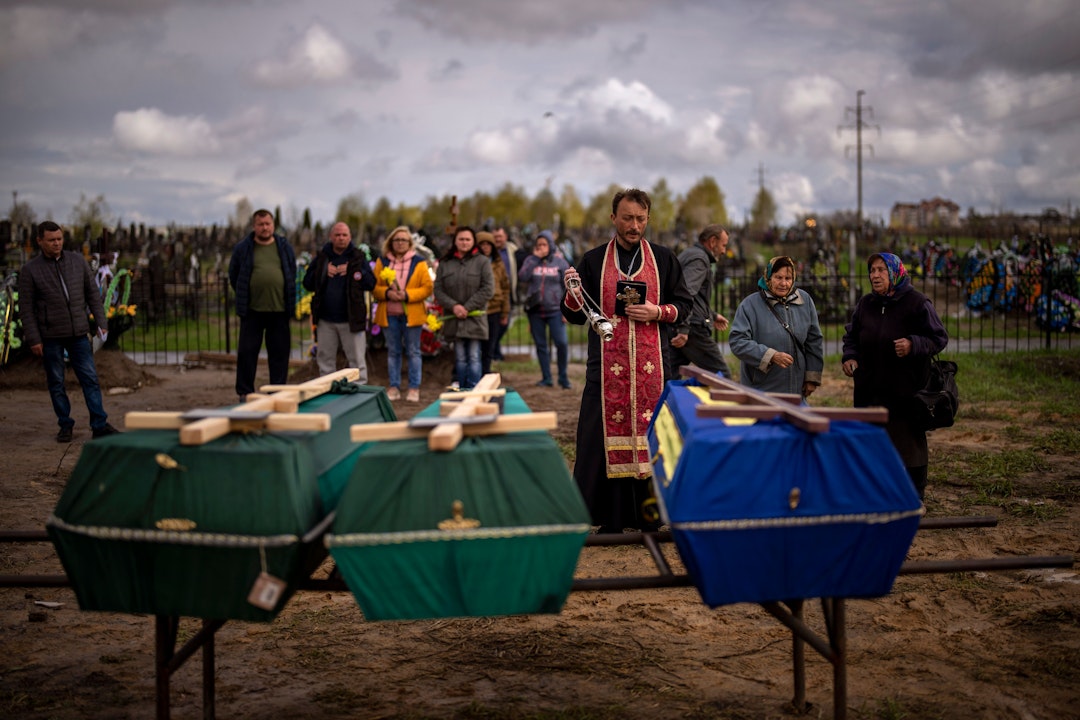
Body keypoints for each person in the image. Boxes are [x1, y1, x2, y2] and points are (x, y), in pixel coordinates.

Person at [561, 188, 693, 533]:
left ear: (648, 219)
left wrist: (657, 311)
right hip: (606, 371)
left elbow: (685, 305)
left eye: (640, 218)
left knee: (654, 437)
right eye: (628, 218)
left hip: (652, 368)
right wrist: (573, 293)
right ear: (613, 218)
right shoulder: (591, 261)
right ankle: (610, 517)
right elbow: (575, 316)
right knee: (598, 438)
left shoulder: (664, 259)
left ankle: (651, 516)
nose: (634, 225)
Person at [842, 252, 948, 500]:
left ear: (895, 272)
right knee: (871, 442)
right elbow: (852, 336)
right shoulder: (866, 304)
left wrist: (913, 344)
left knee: (909, 444)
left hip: (905, 390)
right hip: (870, 389)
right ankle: (875, 496)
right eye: (872, 270)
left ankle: (914, 497)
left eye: (881, 270)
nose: (875, 275)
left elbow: (938, 338)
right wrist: (850, 357)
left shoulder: (917, 303)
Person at [18, 221, 121, 442]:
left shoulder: (77, 262)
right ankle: (65, 425)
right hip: (50, 336)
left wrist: (101, 322)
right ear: (40, 241)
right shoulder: (30, 271)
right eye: (51, 240)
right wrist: (34, 338)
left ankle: (99, 424)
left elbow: (92, 294)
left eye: (59, 239)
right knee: (56, 382)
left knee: (90, 379)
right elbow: (25, 308)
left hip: (78, 333)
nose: (57, 243)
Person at [728, 255, 824, 398]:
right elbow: (737, 341)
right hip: (761, 390)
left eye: (788, 278)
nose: (783, 283)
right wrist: (770, 356)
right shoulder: (750, 305)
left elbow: (814, 341)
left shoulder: (805, 301)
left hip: (796, 390)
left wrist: (812, 378)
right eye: (778, 277)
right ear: (768, 277)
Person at [228, 209, 297, 401]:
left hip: (279, 310)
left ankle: (277, 393)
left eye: (268, 224)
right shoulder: (243, 248)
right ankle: (245, 392)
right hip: (253, 311)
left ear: (273, 225)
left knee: (280, 355)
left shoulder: (284, 247)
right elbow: (234, 275)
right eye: (260, 224)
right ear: (254, 226)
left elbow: (291, 270)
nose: (265, 228)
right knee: (247, 353)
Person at [302, 222, 375, 382]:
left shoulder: (358, 257)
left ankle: (359, 392)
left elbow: (371, 283)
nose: (341, 238)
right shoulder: (322, 257)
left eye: (344, 235)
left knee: (356, 361)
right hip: (326, 320)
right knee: (325, 360)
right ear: (331, 237)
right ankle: (327, 392)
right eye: (337, 235)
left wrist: (354, 272)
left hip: (351, 319)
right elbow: (307, 283)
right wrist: (322, 272)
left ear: (350, 237)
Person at [373, 225, 434, 402]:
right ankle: (394, 386)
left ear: (410, 243)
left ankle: (414, 388)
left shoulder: (419, 262)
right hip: (390, 314)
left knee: (414, 351)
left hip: (412, 315)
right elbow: (374, 287)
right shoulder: (383, 262)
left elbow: (427, 288)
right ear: (391, 242)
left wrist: (407, 295)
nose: (400, 243)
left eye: (404, 240)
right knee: (393, 351)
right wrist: (387, 293)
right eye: (396, 240)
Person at [668, 224, 733, 379]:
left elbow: (693, 297)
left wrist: (712, 315)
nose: (724, 251)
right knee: (723, 377)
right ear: (712, 242)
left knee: (670, 376)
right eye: (723, 245)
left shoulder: (689, 254)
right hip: (693, 328)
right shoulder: (699, 259)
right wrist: (684, 329)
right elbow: (686, 294)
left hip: (683, 324)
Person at [433, 226, 494, 390]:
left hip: (474, 319)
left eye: (468, 239)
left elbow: (488, 289)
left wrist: (466, 307)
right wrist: (454, 307)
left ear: (473, 241)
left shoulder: (482, 262)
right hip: (455, 320)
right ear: (455, 241)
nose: (464, 242)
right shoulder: (445, 263)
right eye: (461, 239)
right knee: (459, 357)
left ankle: (474, 390)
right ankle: (462, 389)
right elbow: (438, 290)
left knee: (474, 356)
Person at [519, 230, 572, 389]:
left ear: (550, 245)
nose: (541, 247)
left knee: (561, 343)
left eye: (544, 244)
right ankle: (546, 377)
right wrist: (535, 259)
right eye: (538, 244)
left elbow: (568, 287)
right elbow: (522, 277)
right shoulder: (530, 260)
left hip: (556, 310)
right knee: (541, 345)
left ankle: (563, 377)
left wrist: (566, 310)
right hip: (535, 310)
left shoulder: (560, 263)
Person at [476, 231, 510, 376]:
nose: (485, 247)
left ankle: (486, 372)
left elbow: (505, 287)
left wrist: (505, 312)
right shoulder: (474, 263)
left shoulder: (498, 263)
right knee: (476, 346)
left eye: (488, 244)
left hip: (495, 309)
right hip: (477, 310)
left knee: (490, 345)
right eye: (482, 244)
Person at [490, 226, 519, 360]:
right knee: (495, 323)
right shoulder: (489, 252)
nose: (498, 239)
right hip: (494, 293)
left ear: (505, 237)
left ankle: (494, 347)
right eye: (495, 237)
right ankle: (494, 350)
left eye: (500, 237)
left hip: (508, 291)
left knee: (505, 323)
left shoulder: (512, 250)